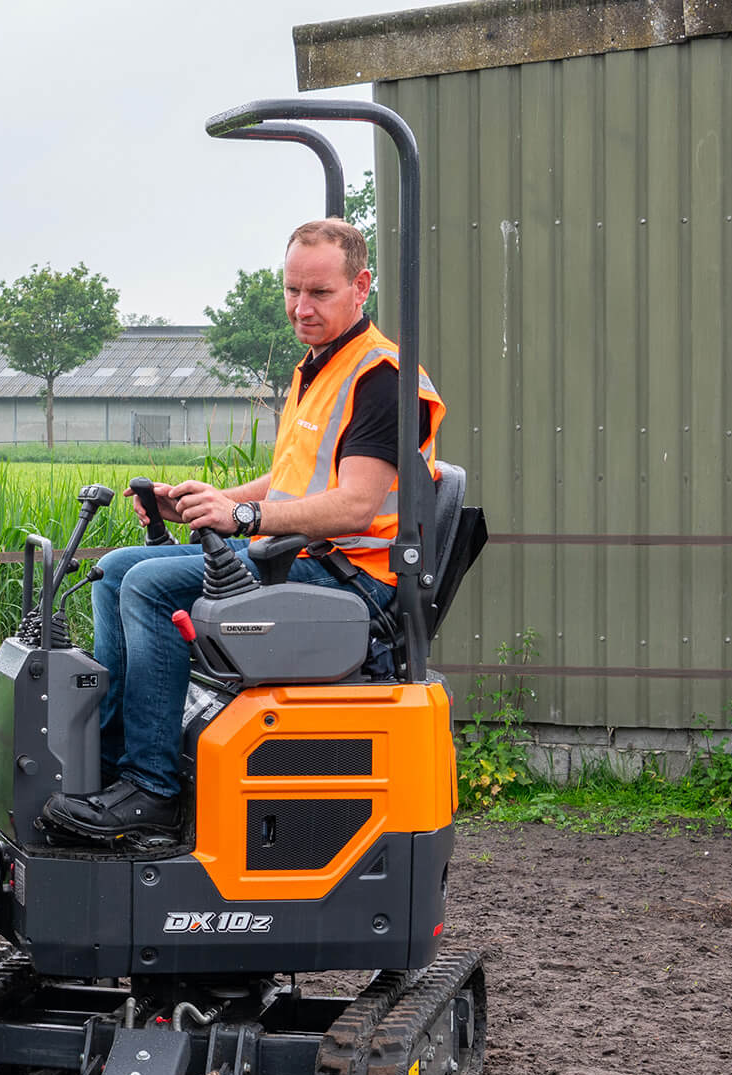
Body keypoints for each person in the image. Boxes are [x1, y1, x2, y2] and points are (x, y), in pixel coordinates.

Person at [44, 218, 445, 842]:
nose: (301, 308)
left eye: (319, 293)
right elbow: (292, 481)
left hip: (353, 581)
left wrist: (244, 518)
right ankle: (114, 763)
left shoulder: (382, 379)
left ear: (361, 286)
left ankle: (152, 788)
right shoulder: (320, 365)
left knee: (149, 589)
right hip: (301, 555)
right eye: (293, 290)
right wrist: (207, 504)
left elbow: (354, 507)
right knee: (117, 569)